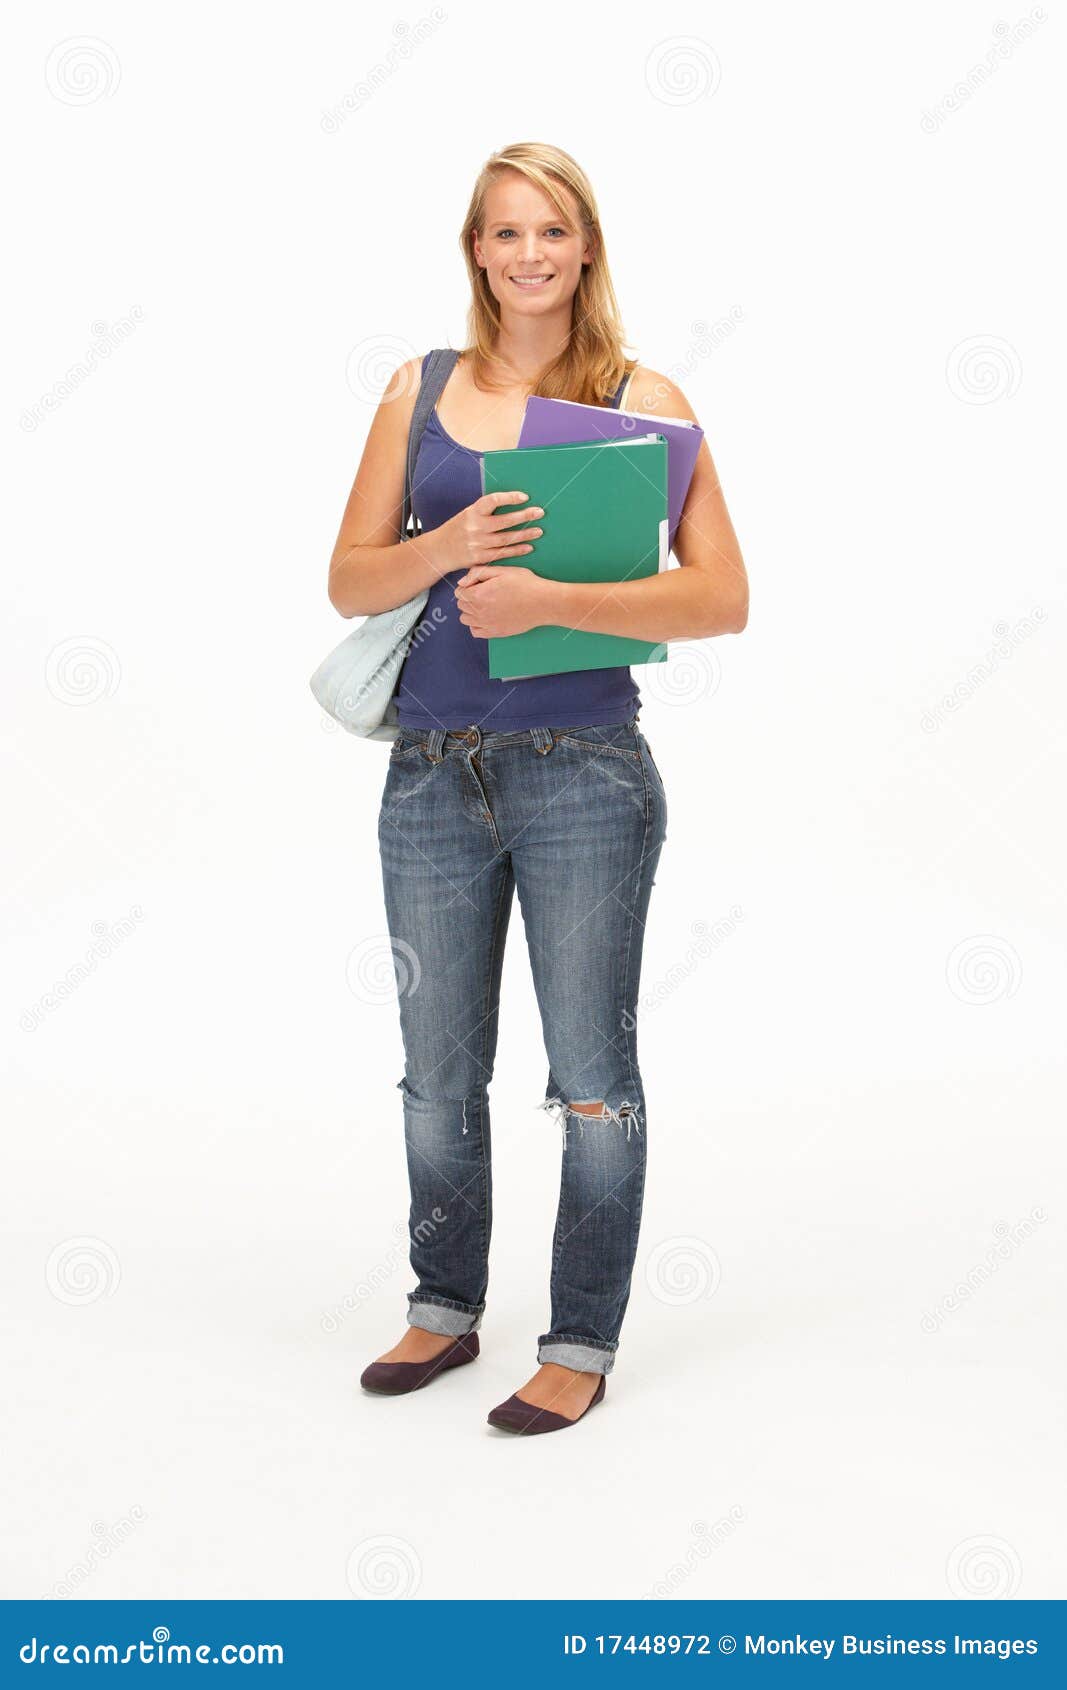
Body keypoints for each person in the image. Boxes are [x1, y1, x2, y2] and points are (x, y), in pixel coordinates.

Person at [327, 141, 748, 1435]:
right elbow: (350, 579)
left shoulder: (641, 397)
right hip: (432, 775)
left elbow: (722, 596)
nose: (527, 255)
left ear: (585, 247)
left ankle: (578, 1338)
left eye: (549, 231)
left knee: (591, 1076)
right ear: (477, 251)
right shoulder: (420, 388)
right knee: (435, 1072)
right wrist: (444, 545)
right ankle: (444, 1306)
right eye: (503, 233)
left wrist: (555, 597)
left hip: (587, 775)